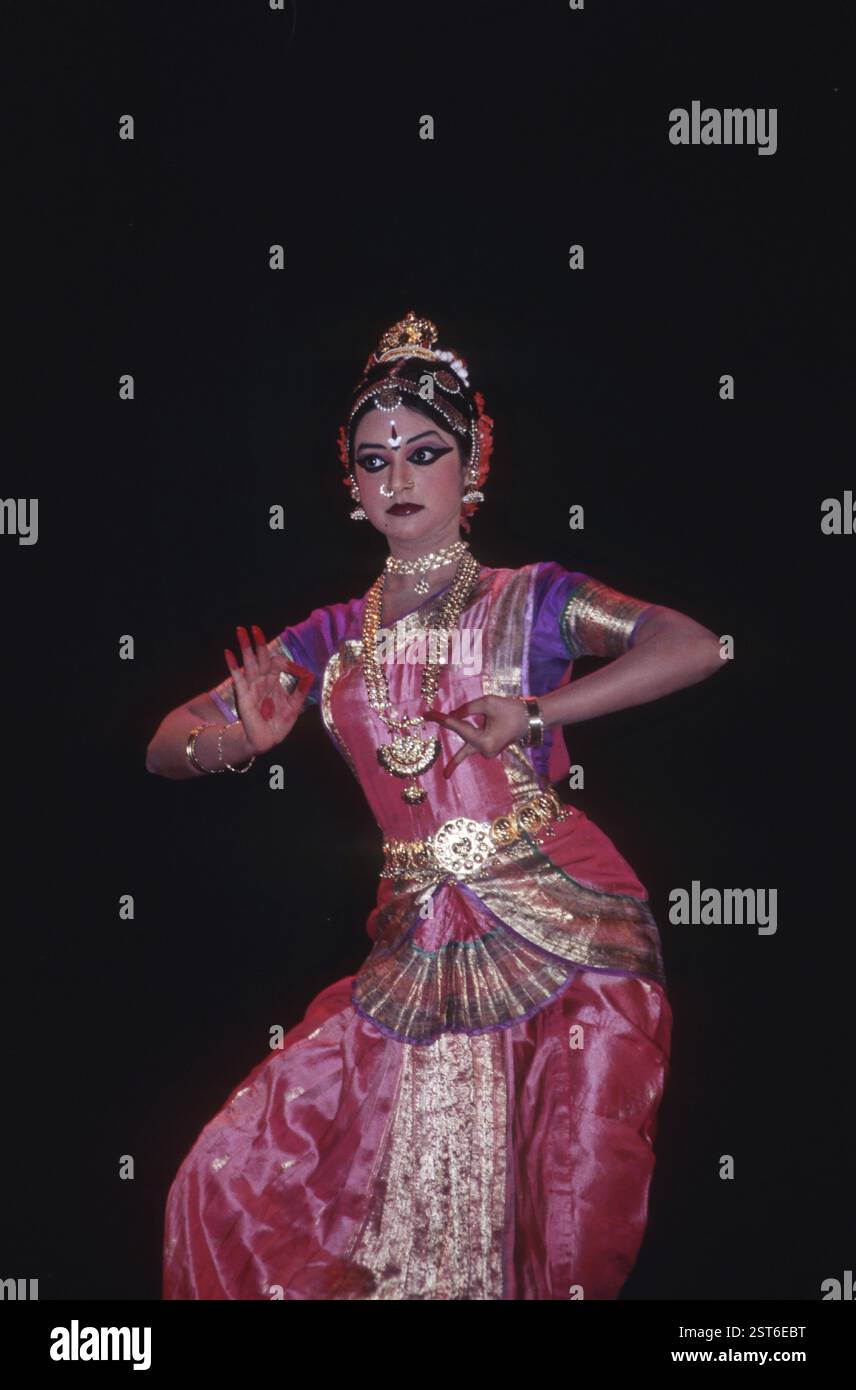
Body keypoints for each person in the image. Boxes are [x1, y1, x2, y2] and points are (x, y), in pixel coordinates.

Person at [147, 310, 725, 1300]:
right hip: (415, 948)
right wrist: (235, 742)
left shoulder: (530, 599)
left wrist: (542, 706)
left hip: (562, 929)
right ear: (351, 484)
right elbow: (164, 745)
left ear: (474, 459)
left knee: (564, 1222)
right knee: (229, 1181)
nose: (399, 479)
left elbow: (693, 644)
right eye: (375, 462)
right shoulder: (329, 635)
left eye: (424, 453)